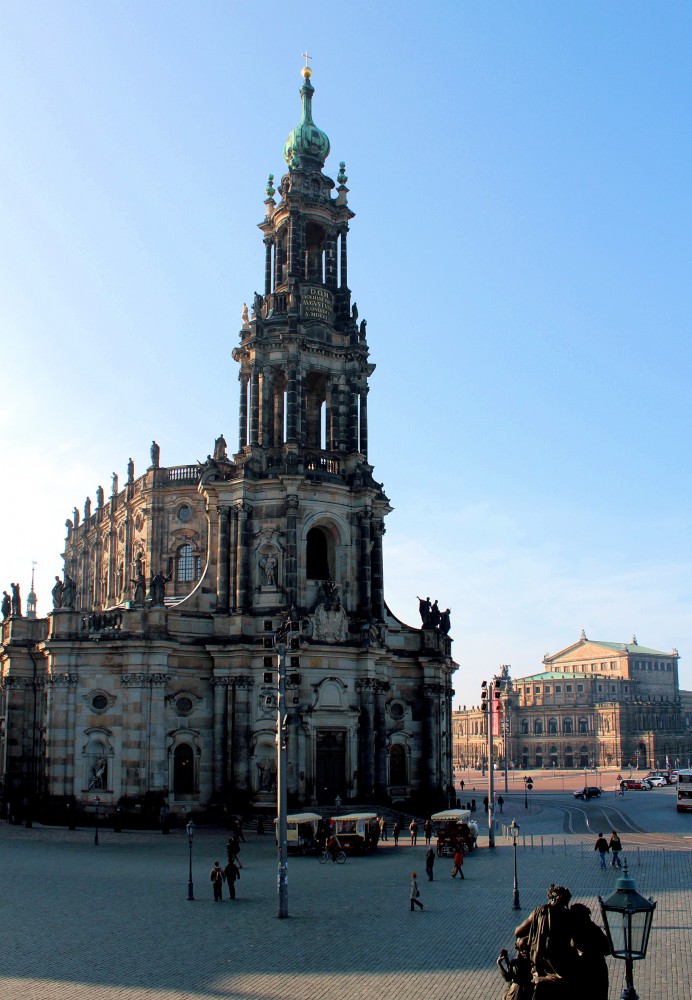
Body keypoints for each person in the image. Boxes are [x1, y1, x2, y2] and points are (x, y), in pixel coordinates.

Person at [514, 884, 578, 988]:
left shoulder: (539, 911)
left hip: (540, 963)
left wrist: (534, 932)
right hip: (562, 963)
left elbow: (518, 932)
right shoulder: (568, 916)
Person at [570, 902, 610, 1000]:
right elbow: (608, 949)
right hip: (597, 970)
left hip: (588, 972)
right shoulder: (593, 929)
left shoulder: (576, 930)